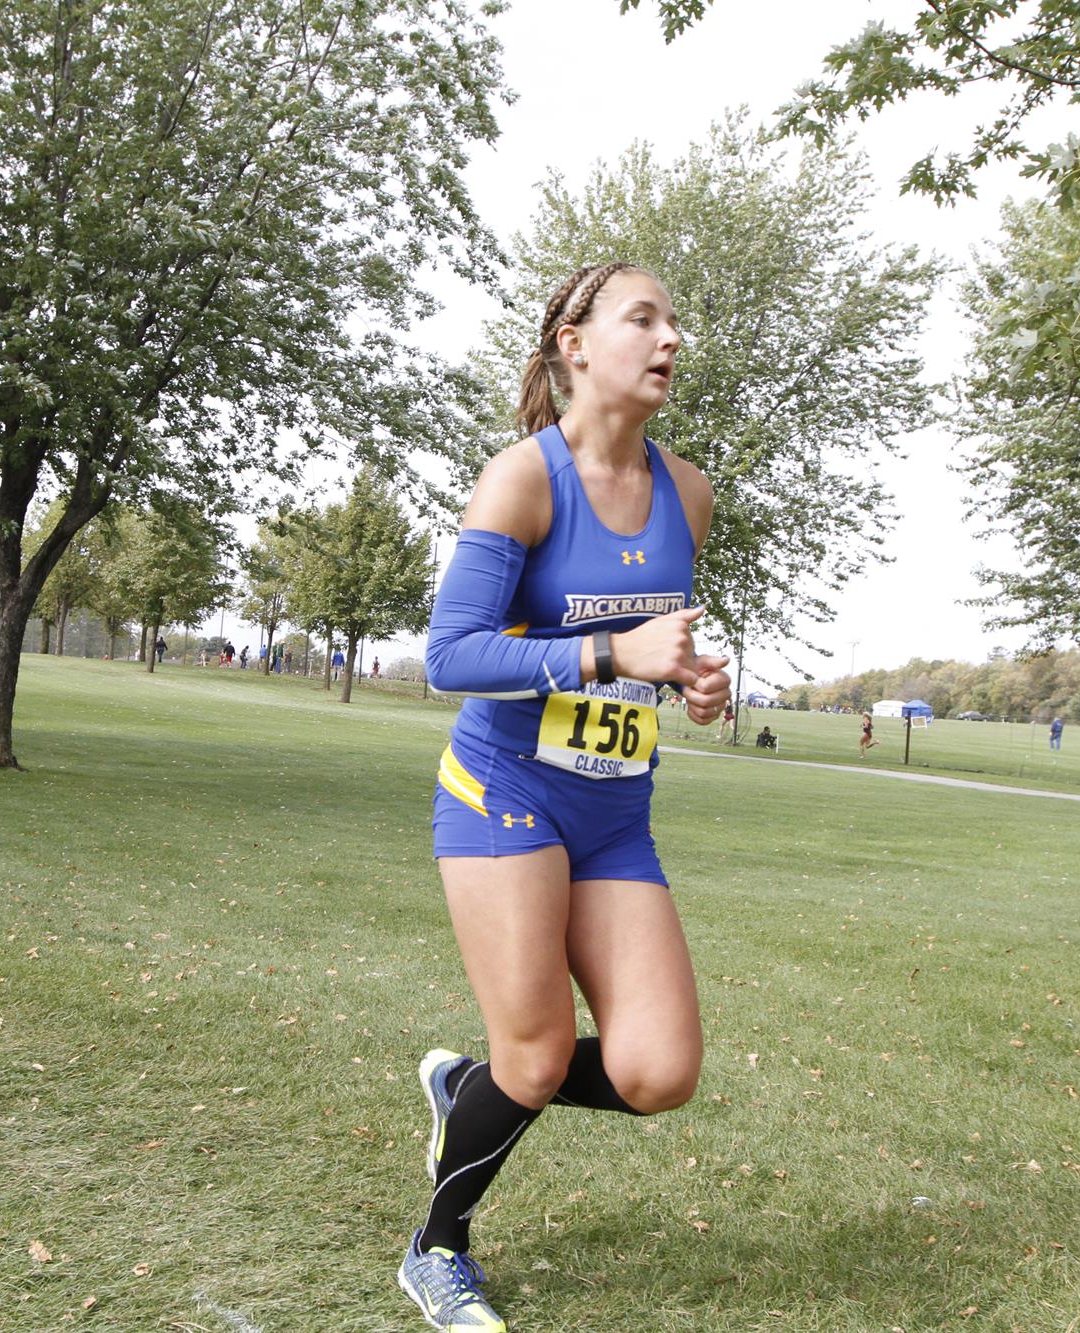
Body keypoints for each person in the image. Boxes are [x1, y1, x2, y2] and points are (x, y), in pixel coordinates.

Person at [407, 262, 728, 1332]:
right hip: (502, 792)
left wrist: (694, 682)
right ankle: (436, 1249)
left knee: (656, 1069)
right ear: (575, 343)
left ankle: (473, 1085)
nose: (669, 336)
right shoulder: (522, 480)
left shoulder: (688, 492)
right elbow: (449, 657)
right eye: (644, 317)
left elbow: (654, 654)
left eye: (673, 321)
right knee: (539, 1052)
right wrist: (608, 654)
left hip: (613, 812)